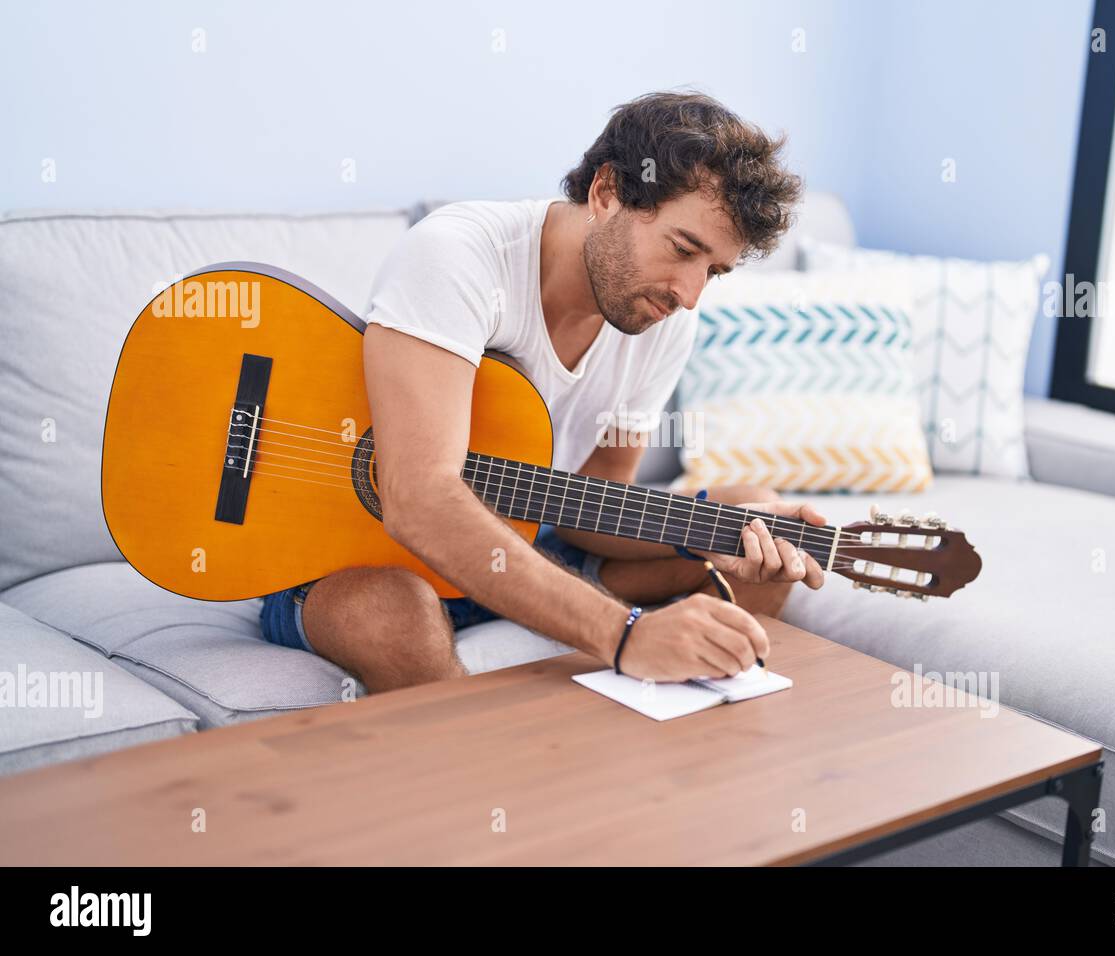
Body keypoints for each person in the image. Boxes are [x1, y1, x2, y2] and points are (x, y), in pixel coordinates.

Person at [260, 90, 827, 691]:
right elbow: (419, 496)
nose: (689, 294)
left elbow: (594, 508)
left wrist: (707, 533)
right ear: (606, 194)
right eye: (683, 250)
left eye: (712, 271)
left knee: (757, 526)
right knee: (388, 612)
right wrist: (624, 634)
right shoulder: (459, 256)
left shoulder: (662, 321)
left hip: (525, 532)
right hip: (345, 555)